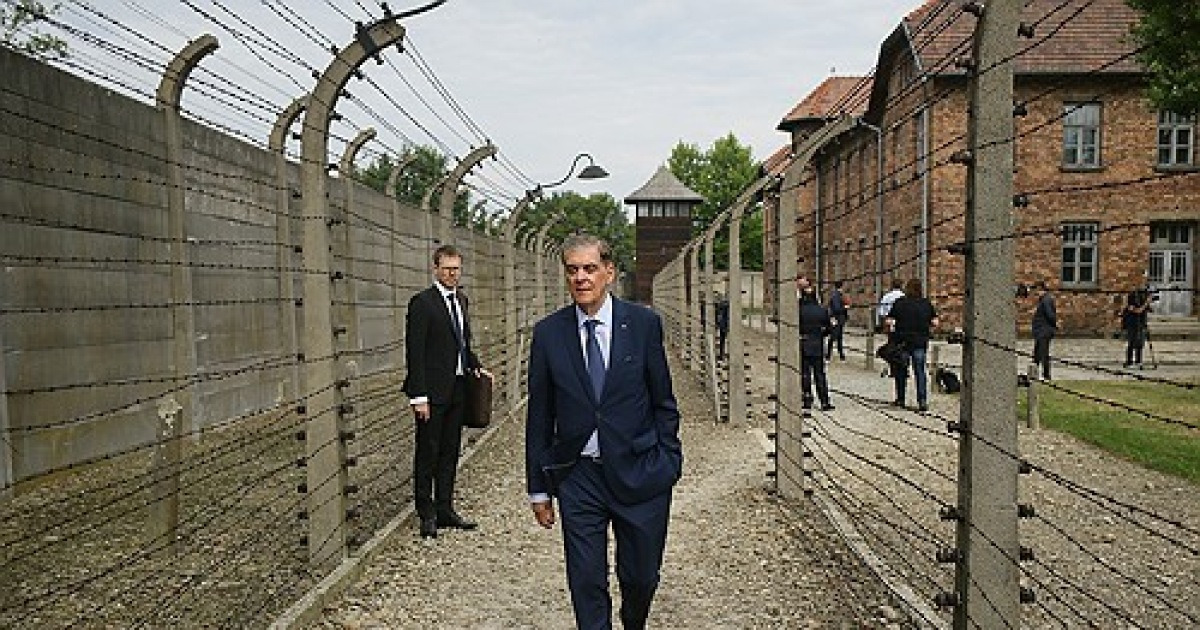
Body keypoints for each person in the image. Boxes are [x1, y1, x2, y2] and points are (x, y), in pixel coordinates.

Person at [525, 233, 683, 630]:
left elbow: (663, 400)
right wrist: (539, 488)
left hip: (640, 471)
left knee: (640, 577)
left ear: (609, 273)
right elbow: (540, 416)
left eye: (590, 268)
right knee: (586, 579)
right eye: (573, 269)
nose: (581, 277)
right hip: (580, 476)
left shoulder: (644, 324)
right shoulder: (549, 334)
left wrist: (669, 461)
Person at [403, 245, 483, 539]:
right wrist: (418, 396)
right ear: (435, 269)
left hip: (458, 388)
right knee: (428, 452)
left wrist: (475, 365)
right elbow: (415, 352)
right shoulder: (422, 303)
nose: (452, 274)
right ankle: (426, 513)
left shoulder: (461, 300)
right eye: (447, 268)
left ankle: (445, 508)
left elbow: (462, 342)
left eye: (456, 269)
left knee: (450, 451)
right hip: (432, 394)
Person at [885, 279, 939, 412]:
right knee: (920, 372)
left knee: (901, 371)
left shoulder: (900, 303)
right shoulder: (926, 304)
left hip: (902, 342)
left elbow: (889, 320)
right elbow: (935, 322)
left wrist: (893, 330)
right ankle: (922, 401)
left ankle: (901, 399)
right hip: (920, 342)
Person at [800, 284, 835, 411]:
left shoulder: (799, 310)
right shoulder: (822, 310)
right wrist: (820, 335)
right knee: (820, 374)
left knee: (805, 373)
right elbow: (830, 329)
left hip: (803, 342)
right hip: (817, 344)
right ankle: (824, 401)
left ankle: (807, 399)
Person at [1031, 279, 1057, 381]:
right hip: (1041, 331)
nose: (1035, 293)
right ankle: (1034, 373)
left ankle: (1046, 375)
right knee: (1037, 354)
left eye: (1036, 291)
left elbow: (1050, 315)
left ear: (1040, 289)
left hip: (1044, 331)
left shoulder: (1046, 300)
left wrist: (1054, 325)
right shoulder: (1044, 300)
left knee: (1043, 354)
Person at [1120, 287, 1152, 368]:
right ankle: (1129, 362)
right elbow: (1138, 310)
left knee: (1140, 343)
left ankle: (1138, 361)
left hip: (1141, 323)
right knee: (1131, 342)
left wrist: (1147, 304)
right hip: (1132, 323)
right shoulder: (1131, 298)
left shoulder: (1142, 298)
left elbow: (1148, 310)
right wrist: (1146, 303)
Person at [825, 280, 849, 361]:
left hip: (838, 319)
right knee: (834, 336)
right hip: (837, 318)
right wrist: (845, 307)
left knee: (838, 337)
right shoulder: (836, 295)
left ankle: (840, 355)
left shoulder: (837, 295)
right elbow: (836, 308)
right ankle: (829, 355)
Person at [714, 293, 730, 360]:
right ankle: (722, 354)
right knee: (723, 339)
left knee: (723, 339)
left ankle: (722, 354)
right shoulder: (723, 305)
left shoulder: (721, 305)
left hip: (723, 324)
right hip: (724, 324)